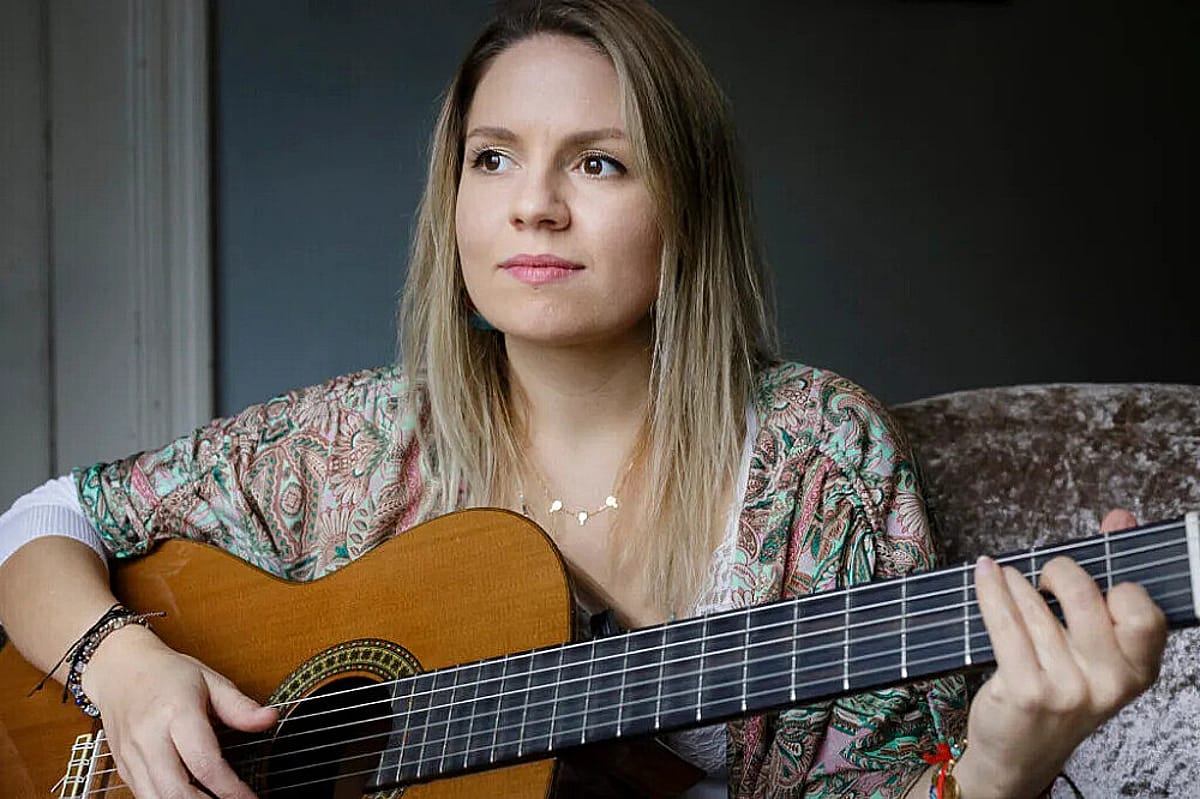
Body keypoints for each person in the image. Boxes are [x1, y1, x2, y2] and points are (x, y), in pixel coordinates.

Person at [0, 1, 1168, 797]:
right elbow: (45, 519)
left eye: (599, 162)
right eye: (493, 157)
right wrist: (122, 664)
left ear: (687, 206)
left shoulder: (819, 453)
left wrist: (1005, 767)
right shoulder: (364, 436)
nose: (533, 207)